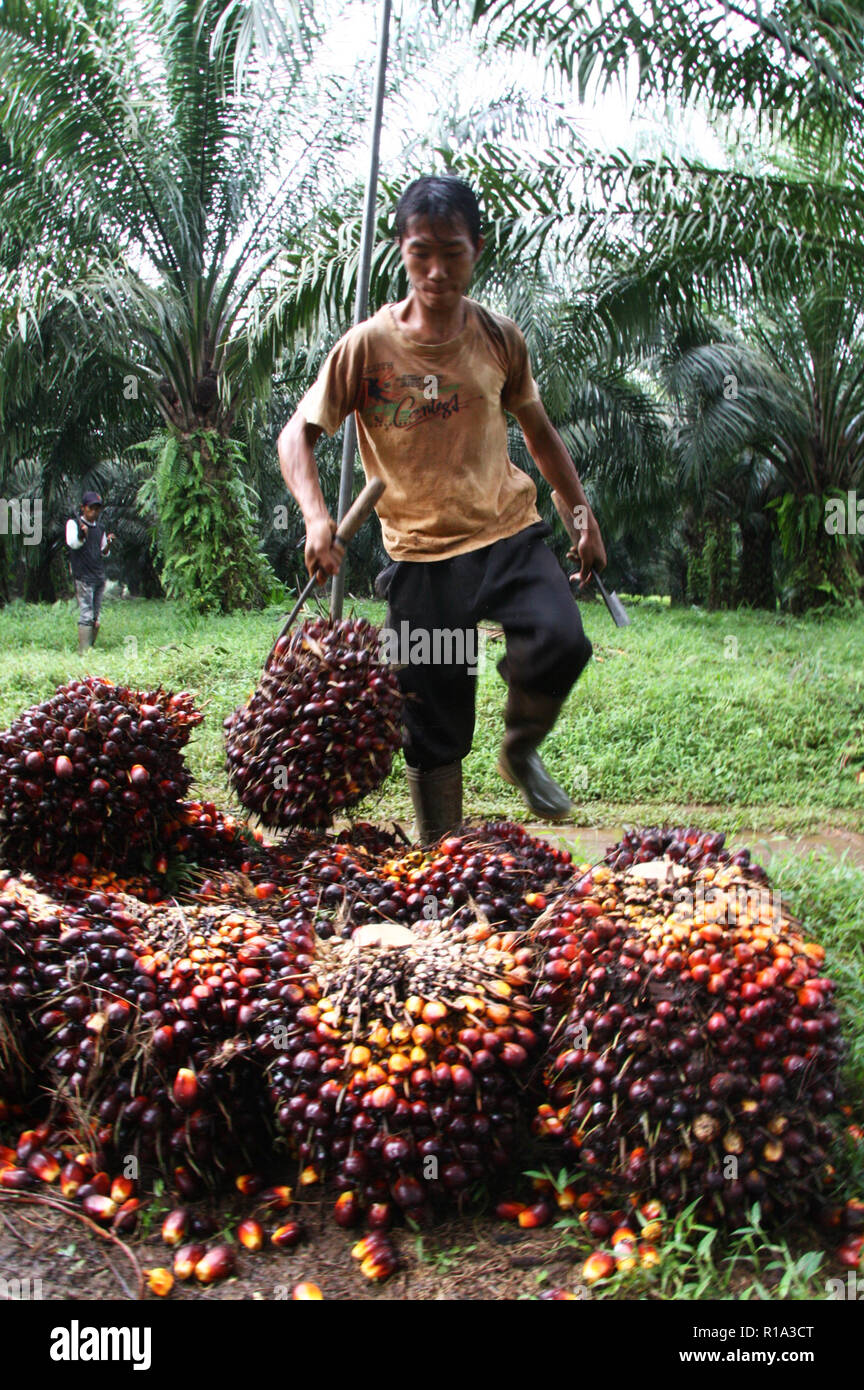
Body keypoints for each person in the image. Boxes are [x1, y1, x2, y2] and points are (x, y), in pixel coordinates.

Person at [277, 175, 606, 842]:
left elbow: (539, 436)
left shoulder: (498, 337)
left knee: (561, 639)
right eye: (421, 252)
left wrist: (581, 516)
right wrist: (316, 518)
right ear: (401, 249)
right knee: (432, 719)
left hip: (508, 537)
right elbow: (296, 437)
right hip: (422, 558)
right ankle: (441, 854)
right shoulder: (366, 349)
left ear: (477, 250)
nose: (436, 270)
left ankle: (519, 749)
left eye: (452, 253)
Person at [66, 490, 114, 653]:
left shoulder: (100, 528)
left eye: (97, 509)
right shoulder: (74, 524)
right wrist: (82, 534)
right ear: (83, 508)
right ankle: (83, 651)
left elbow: (103, 552)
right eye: (91, 508)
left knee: (96, 617)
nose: (94, 512)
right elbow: (73, 544)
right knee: (86, 613)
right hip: (83, 576)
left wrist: (108, 543)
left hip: (98, 576)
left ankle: (90, 648)